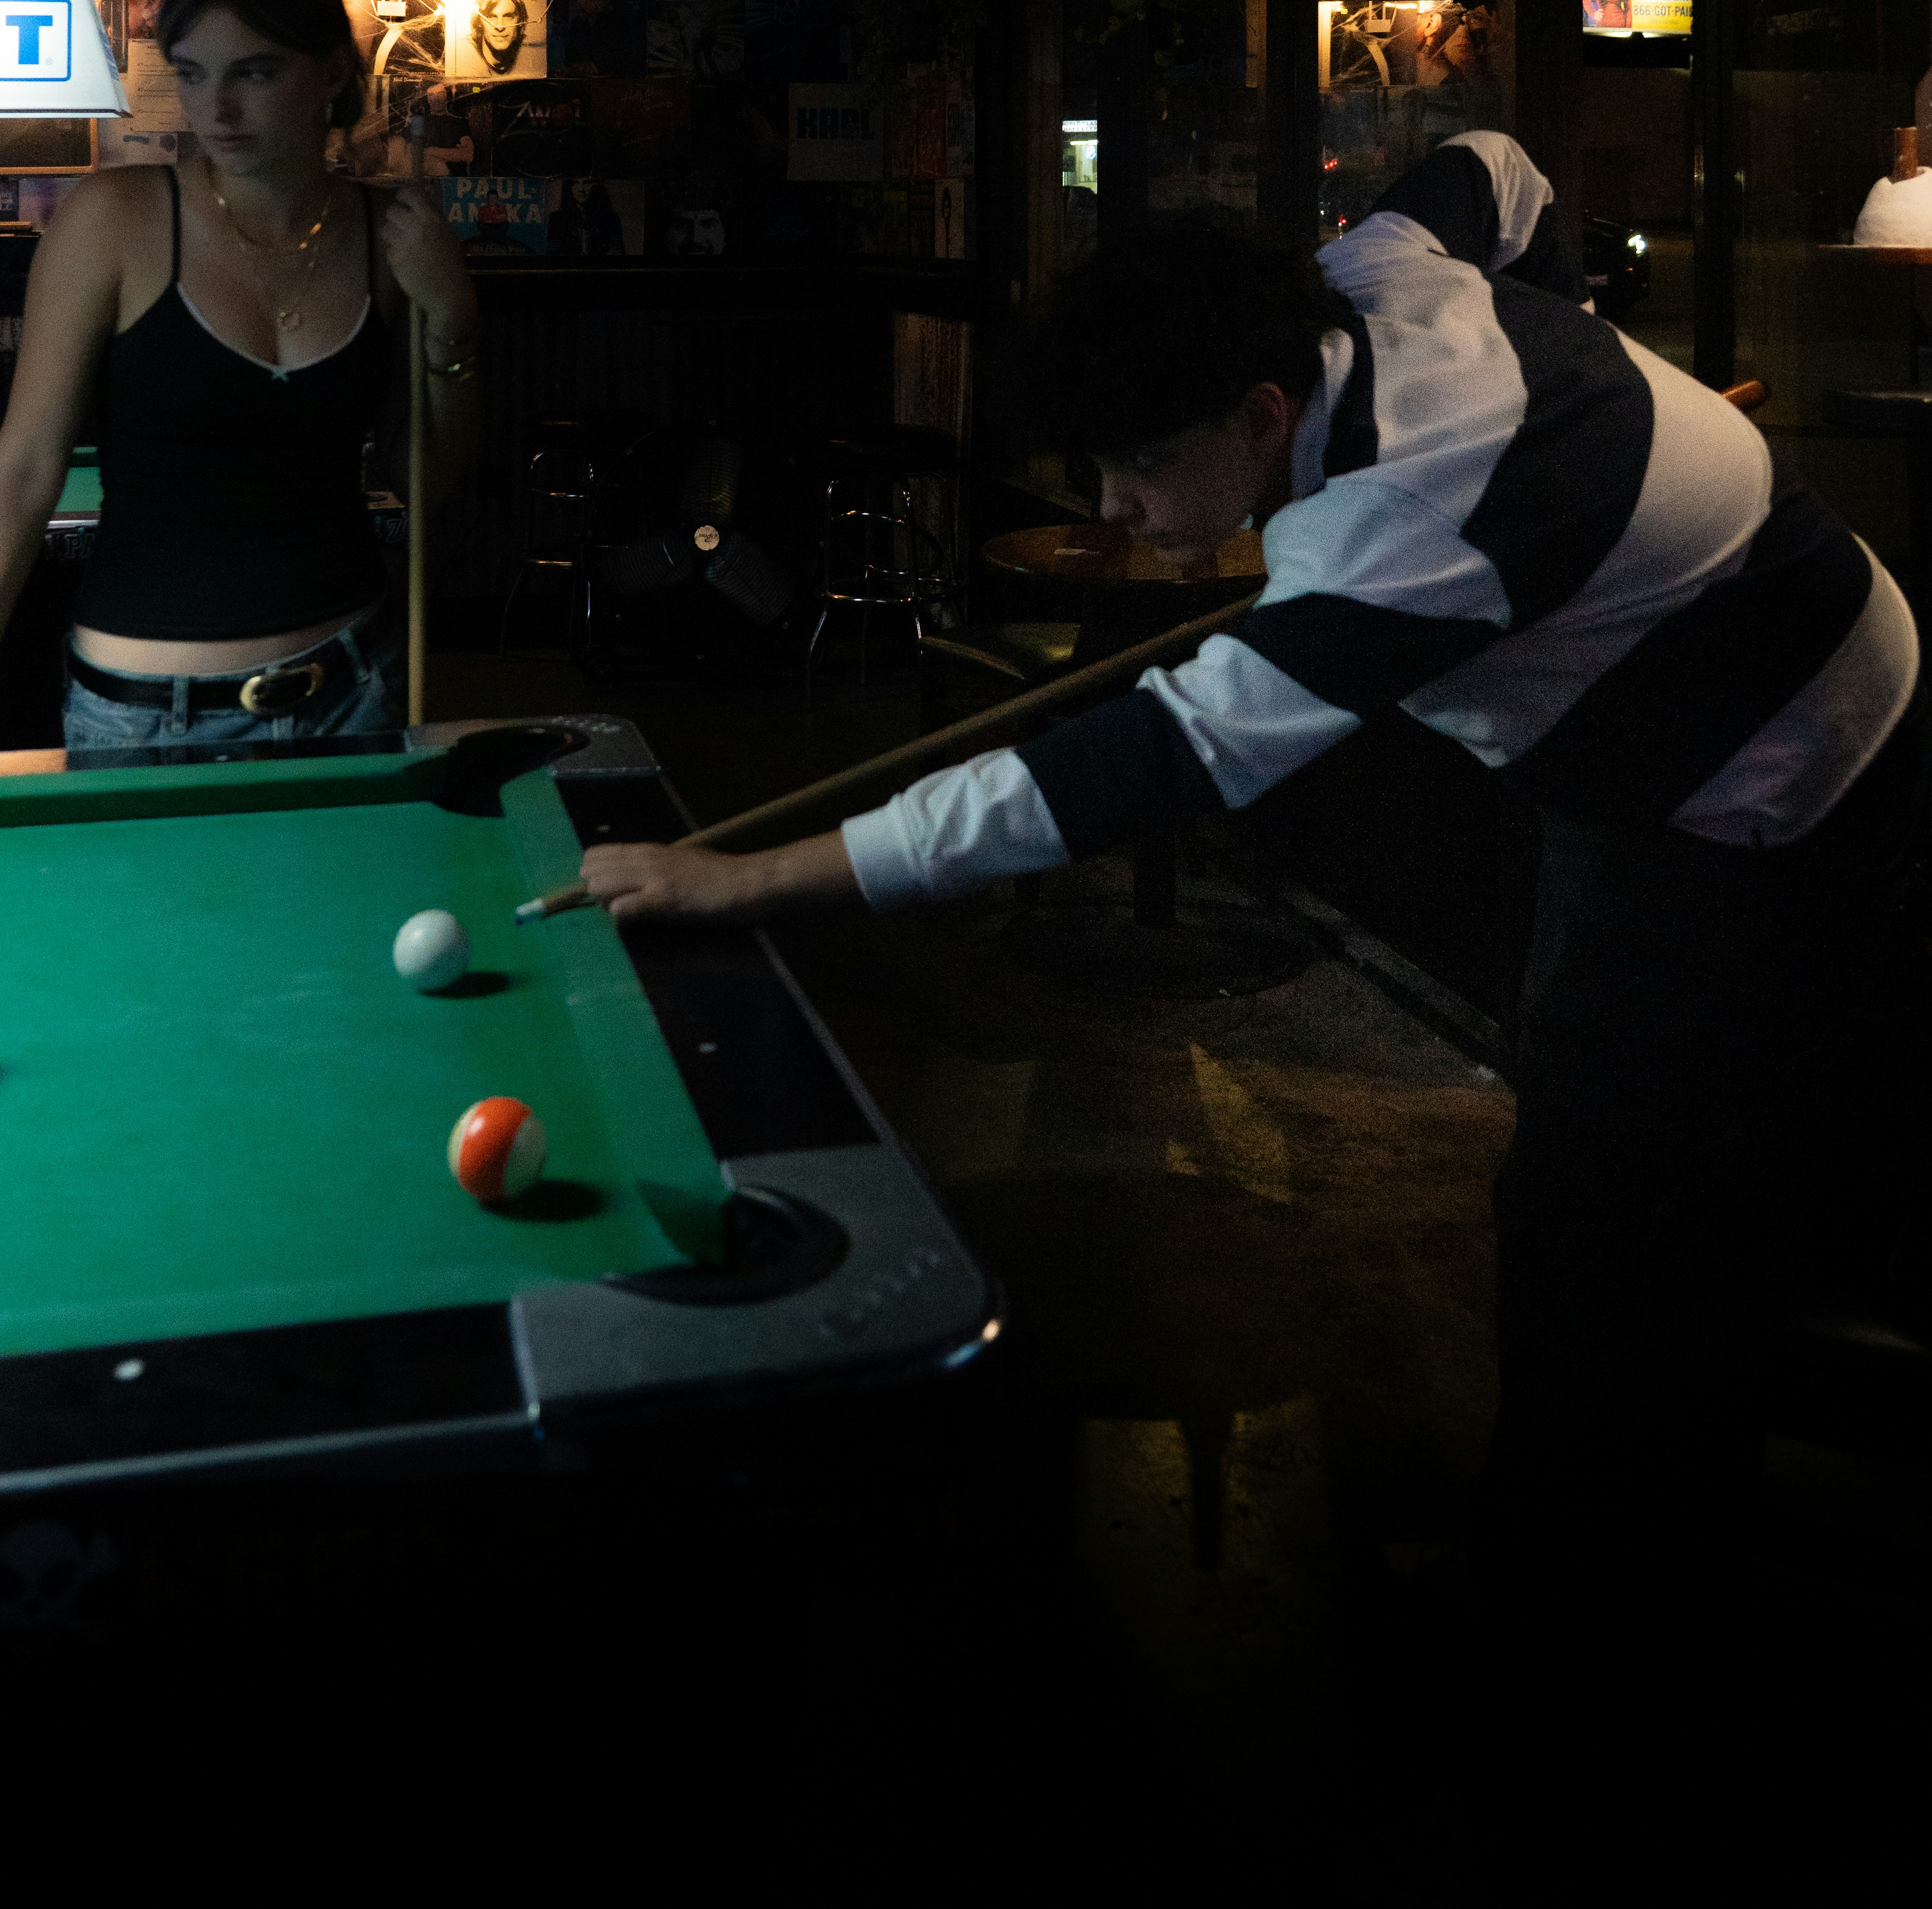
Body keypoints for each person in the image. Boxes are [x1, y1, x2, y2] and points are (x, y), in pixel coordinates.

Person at [581, 130, 1925, 1631]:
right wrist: (1594, 358)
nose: (1124, 507)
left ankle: (1582, 1650)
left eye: (1147, 461)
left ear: (1263, 406)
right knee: (1623, 1167)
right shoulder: (1373, 265)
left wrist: (750, 878)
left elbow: (1107, 776)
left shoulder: (1401, 516)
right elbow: (1498, 164)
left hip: (1765, 778)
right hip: (1681, 725)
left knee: (1600, 1241)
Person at [0, 0, 482, 774]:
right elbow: (25, 468)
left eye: (254, 72)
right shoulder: (114, 219)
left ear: (329, 73)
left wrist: (454, 315)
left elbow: (426, 479)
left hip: (355, 687)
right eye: (191, 73)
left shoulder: (392, 238)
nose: (216, 109)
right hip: (145, 718)